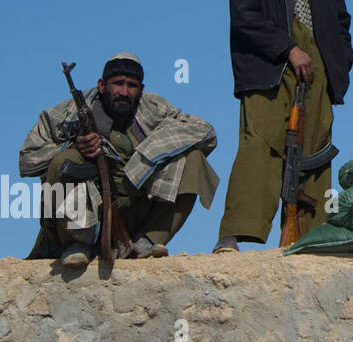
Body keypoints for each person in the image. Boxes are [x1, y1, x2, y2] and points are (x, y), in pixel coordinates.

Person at [213, 0, 353, 253]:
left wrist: (341, 60)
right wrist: (288, 48)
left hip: (319, 61)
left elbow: (340, 19)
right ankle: (233, 234)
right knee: (259, 142)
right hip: (268, 63)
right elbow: (243, 16)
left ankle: (315, 236)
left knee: (317, 146)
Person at [18, 53, 219, 267]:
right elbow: (28, 158)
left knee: (193, 160)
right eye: (118, 83)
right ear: (102, 85)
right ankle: (76, 243)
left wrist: (147, 155)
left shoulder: (153, 109)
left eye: (132, 86)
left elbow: (204, 132)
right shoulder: (67, 113)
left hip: (134, 205)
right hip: (84, 210)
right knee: (66, 160)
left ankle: (147, 241)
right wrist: (74, 145)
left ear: (141, 89)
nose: (124, 92)